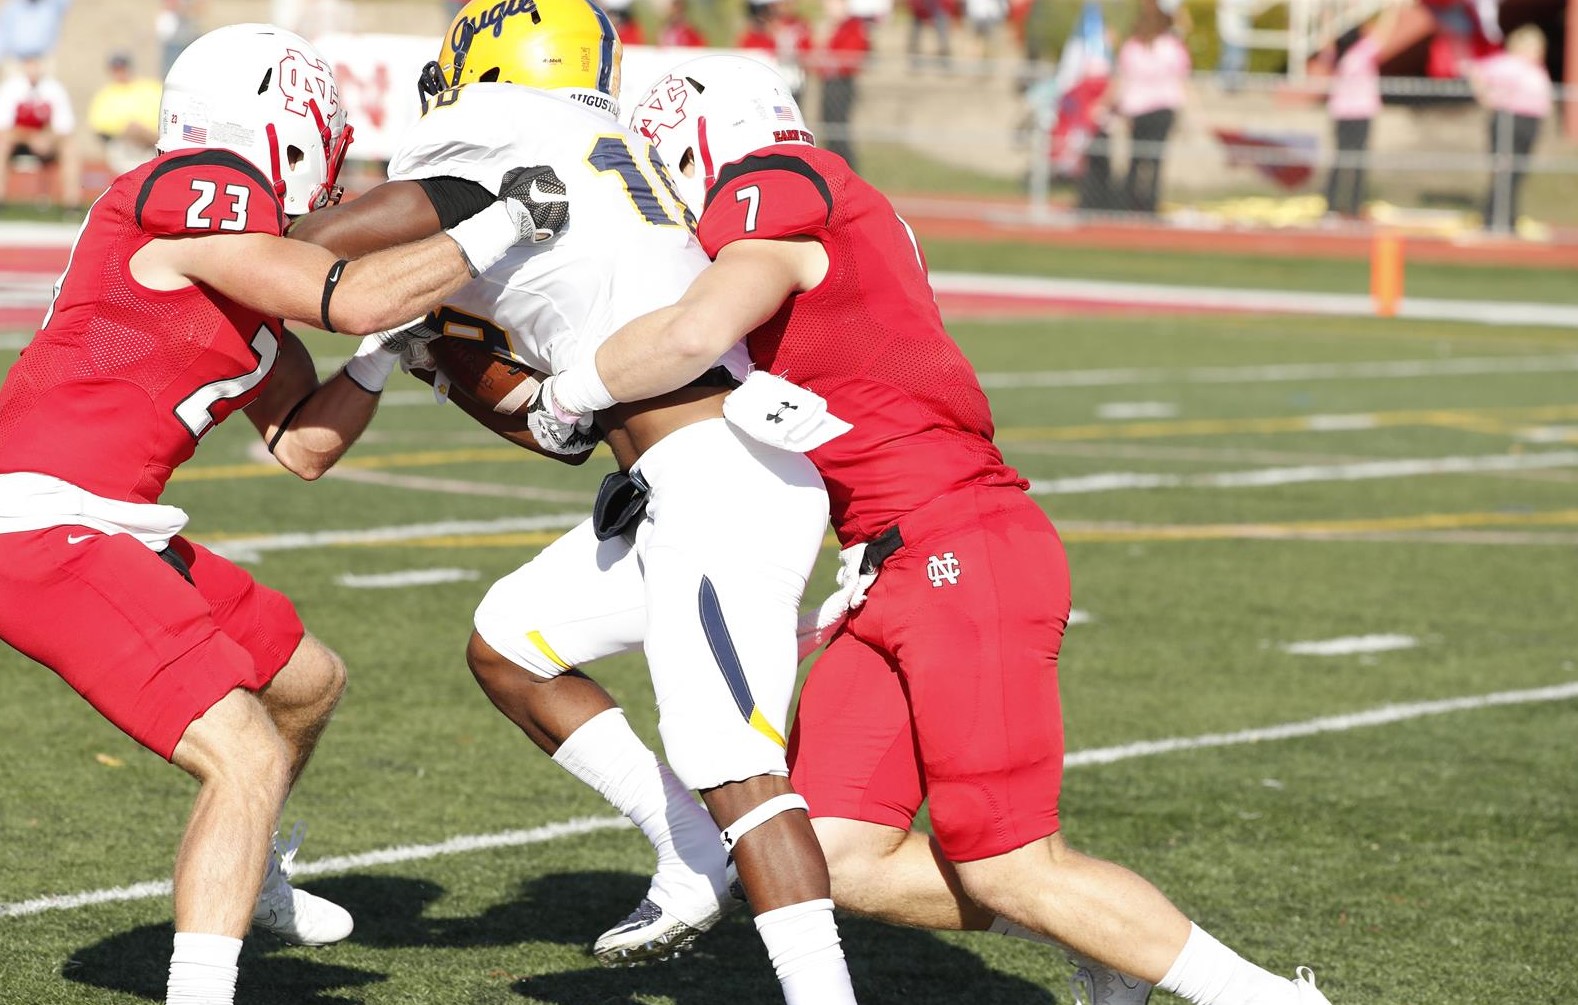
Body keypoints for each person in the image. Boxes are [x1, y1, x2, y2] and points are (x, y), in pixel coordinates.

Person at [538, 53, 1340, 1005]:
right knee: (827, 853)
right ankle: (1109, 936)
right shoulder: (822, 199)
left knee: (1007, 858)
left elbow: (687, 334)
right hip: (888, 563)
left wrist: (570, 391)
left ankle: (1268, 997)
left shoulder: (776, 186)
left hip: (957, 538)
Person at [287, 3, 859, 1002]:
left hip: (720, 481)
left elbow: (313, 260)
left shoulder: (502, 133)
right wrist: (431, 361)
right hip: (678, 472)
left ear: (491, 55)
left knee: (742, 774)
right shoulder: (585, 147)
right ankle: (689, 852)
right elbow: (557, 429)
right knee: (512, 639)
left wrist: (254, 233)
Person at [0, 23, 563, 1005]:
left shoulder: (249, 300)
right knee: (247, 753)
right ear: (282, 128)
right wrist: (505, 221)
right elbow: (344, 294)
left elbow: (302, 445)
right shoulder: (185, 190)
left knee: (304, 680)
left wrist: (386, 361)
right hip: (43, 520)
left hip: (108, 521)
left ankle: (252, 869)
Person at [1469, 24, 1552, 235]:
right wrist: (1486, 97)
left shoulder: (1536, 68)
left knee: (1518, 171)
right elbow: (1476, 71)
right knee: (1504, 170)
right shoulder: (1507, 64)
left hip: (1530, 122)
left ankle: (1508, 217)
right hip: (1510, 121)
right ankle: (1493, 218)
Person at [1316, 5, 1396, 220]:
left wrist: (1327, 14)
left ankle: (1331, 207)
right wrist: (1392, 9)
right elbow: (1384, 35)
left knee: (1340, 160)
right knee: (1358, 161)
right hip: (1360, 112)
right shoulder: (1361, 52)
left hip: (1342, 112)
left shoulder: (1337, 55)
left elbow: (1325, 37)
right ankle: (1352, 207)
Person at [1111, 0, 1189, 215]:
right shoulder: (1171, 46)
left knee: (1135, 159)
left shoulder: (1132, 47)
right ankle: (1149, 207)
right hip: (1163, 108)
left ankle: (1127, 205)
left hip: (1138, 108)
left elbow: (1123, 79)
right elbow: (1182, 76)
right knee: (1155, 160)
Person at [0, 56, 80, 209]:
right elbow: (4, 128)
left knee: (70, 148)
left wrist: (47, 138)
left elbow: (65, 127)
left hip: (47, 141)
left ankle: (71, 203)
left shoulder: (55, 89)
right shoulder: (11, 88)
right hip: (18, 141)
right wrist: (31, 138)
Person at [815, 0, 870, 169]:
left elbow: (851, 56)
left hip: (842, 83)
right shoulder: (835, 27)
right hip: (830, 82)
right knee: (830, 130)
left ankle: (848, 172)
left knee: (838, 132)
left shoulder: (853, 26)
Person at [87, 51, 163, 174]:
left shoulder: (151, 87)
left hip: (152, 142)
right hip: (124, 145)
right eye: (116, 69)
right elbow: (101, 128)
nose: (120, 73)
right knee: (133, 129)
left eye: (122, 68)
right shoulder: (105, 95)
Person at [0, 0, 71, 62]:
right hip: (17, 63)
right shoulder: (12, 9)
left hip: (44, 61)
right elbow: (2, 38)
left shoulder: (52, 7)